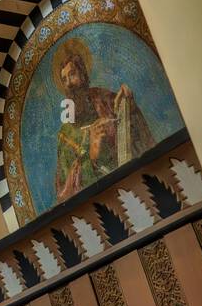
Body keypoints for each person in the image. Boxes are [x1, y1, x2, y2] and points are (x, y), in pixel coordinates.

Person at [52, 36, 155, 202]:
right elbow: (64, 190)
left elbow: (133, 130)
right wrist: (91, 155)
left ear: (83, 75)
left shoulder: (104, 99)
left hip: (133, 186)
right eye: (64, 79)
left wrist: (127, 105)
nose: (69, 83)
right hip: (102, 201)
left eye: (72, 74)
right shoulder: (66, 133)